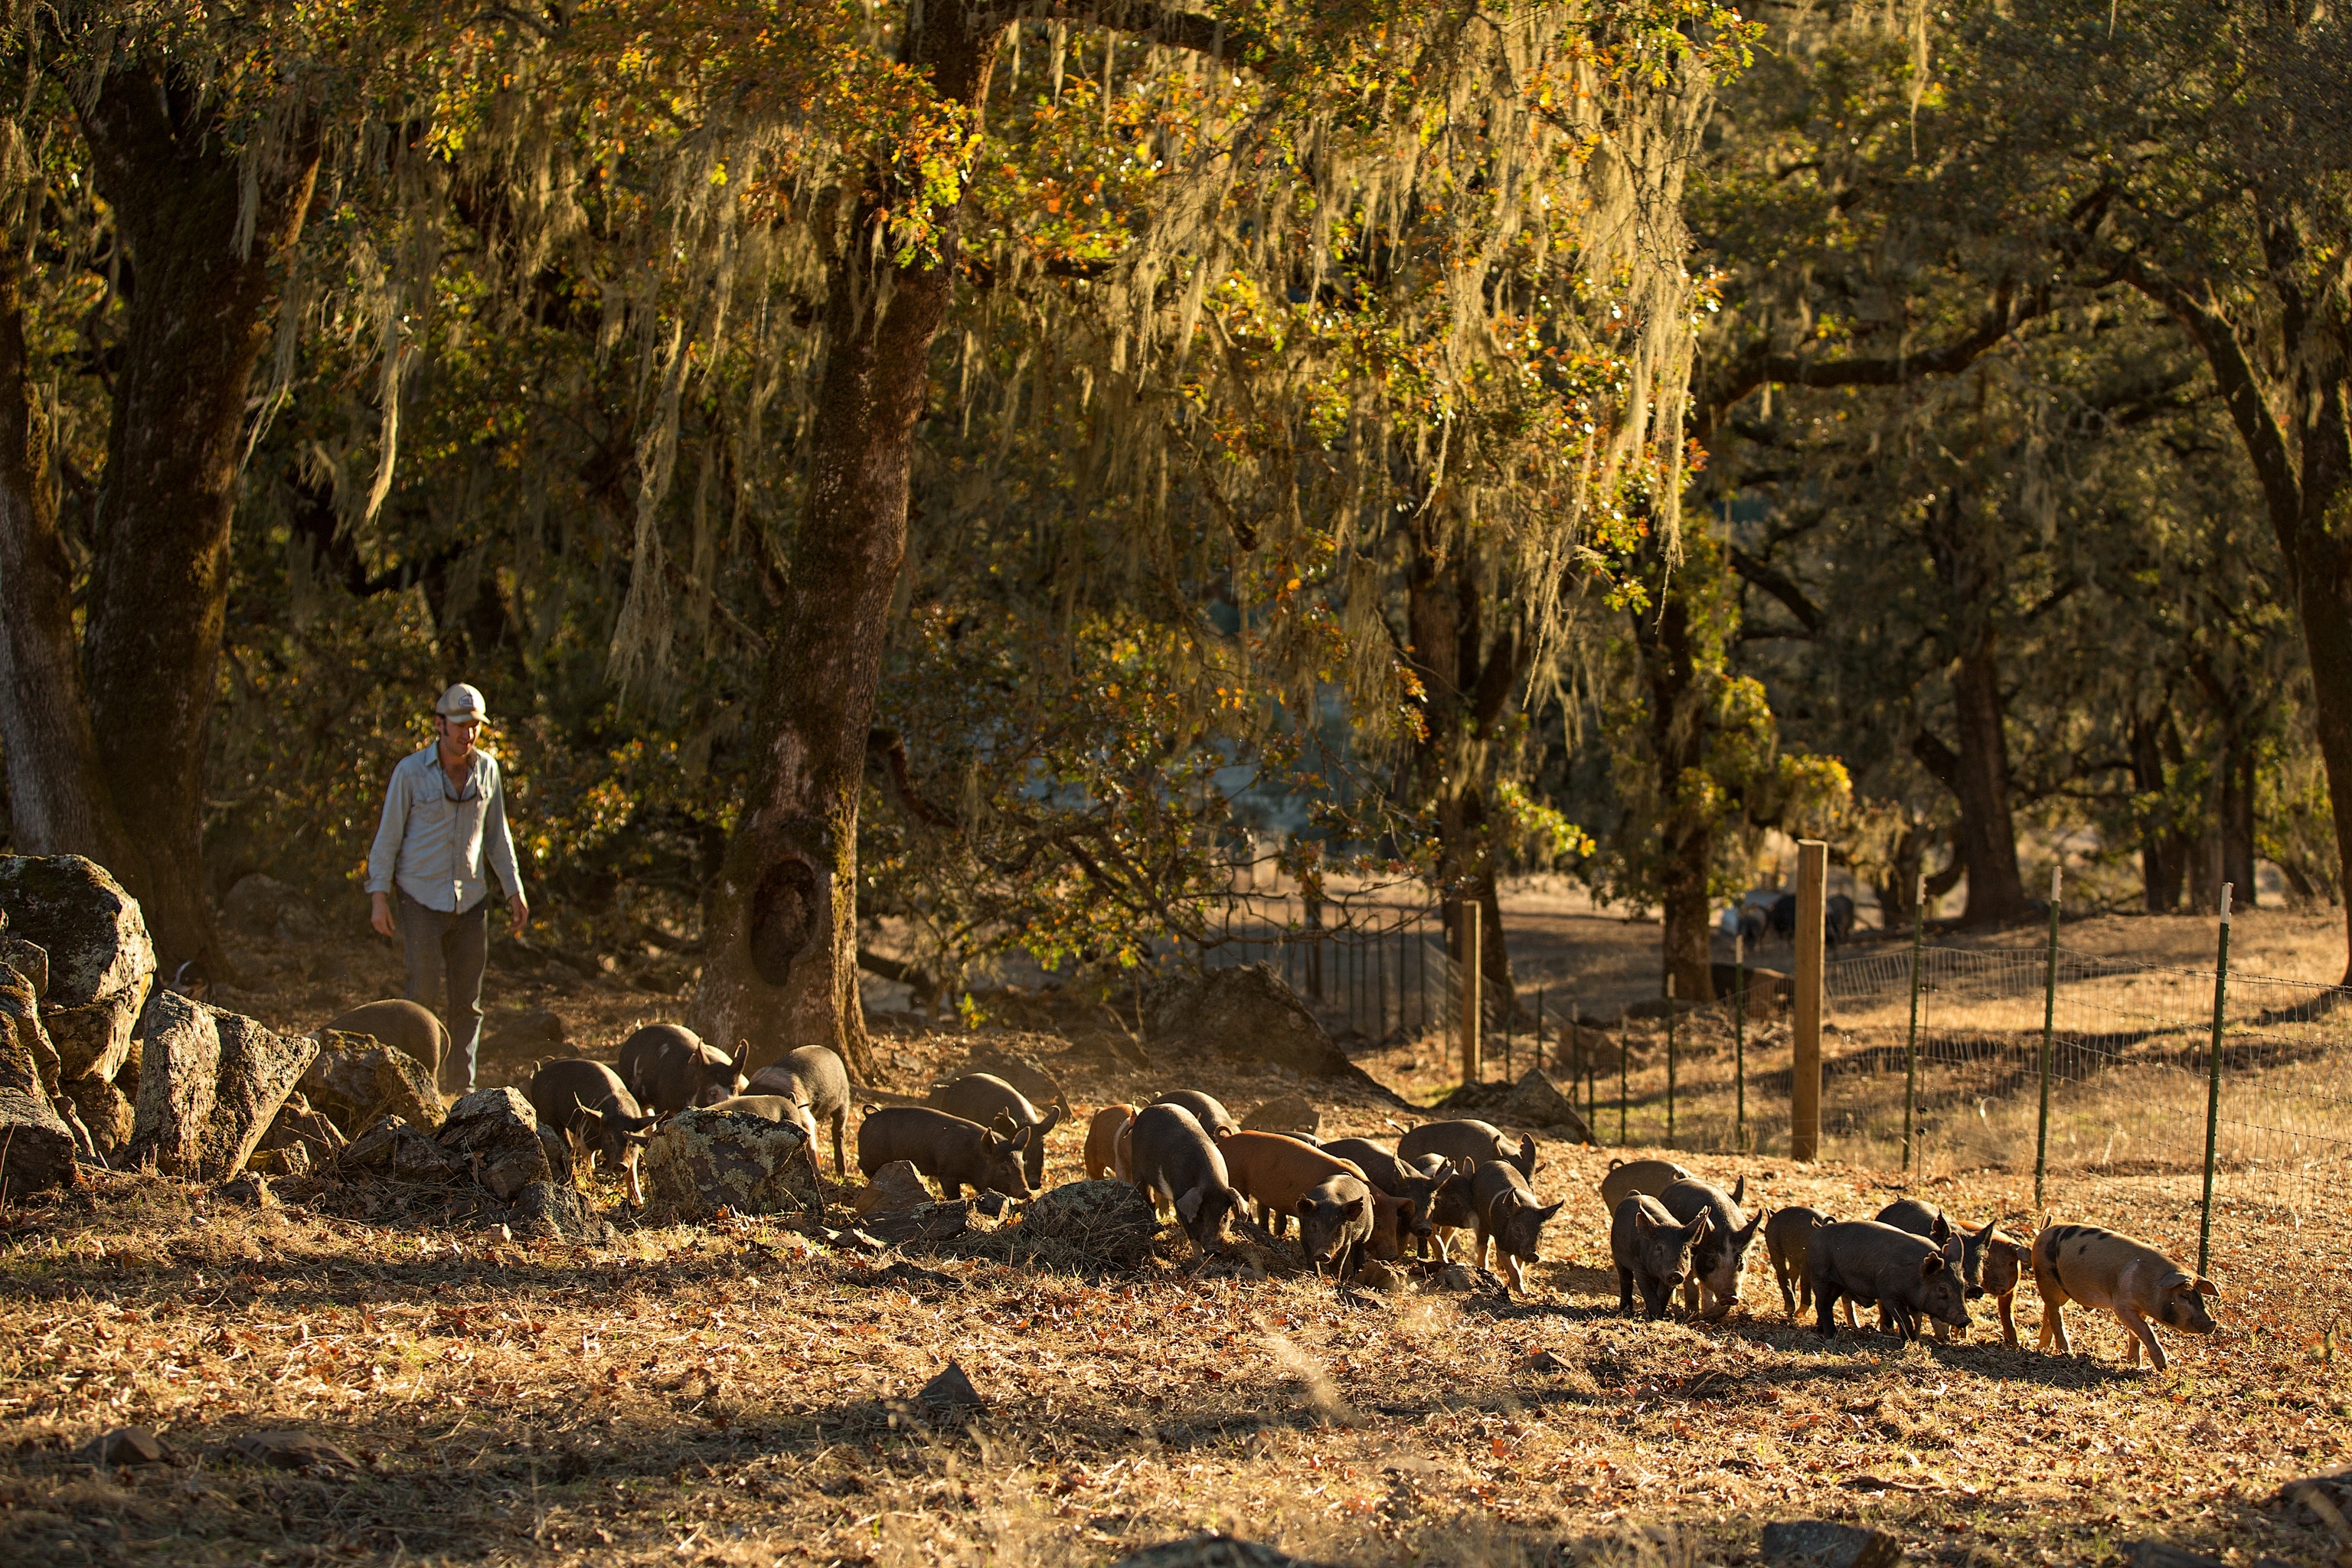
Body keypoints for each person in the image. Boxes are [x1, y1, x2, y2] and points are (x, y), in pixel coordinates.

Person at [365, 682, 528, 1094]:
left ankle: (461, 1089)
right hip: (420, 898)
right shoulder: (410, 772)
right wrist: (379, 897)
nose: (467, 734)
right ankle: (417, 1085)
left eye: (474, 726)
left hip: (471, 900)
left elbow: (497, 836)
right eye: (459, 725)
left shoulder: (488, 769)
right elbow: (388, 836)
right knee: (420, 996)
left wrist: (514, 890)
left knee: (467, 1004)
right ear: (440, 724)